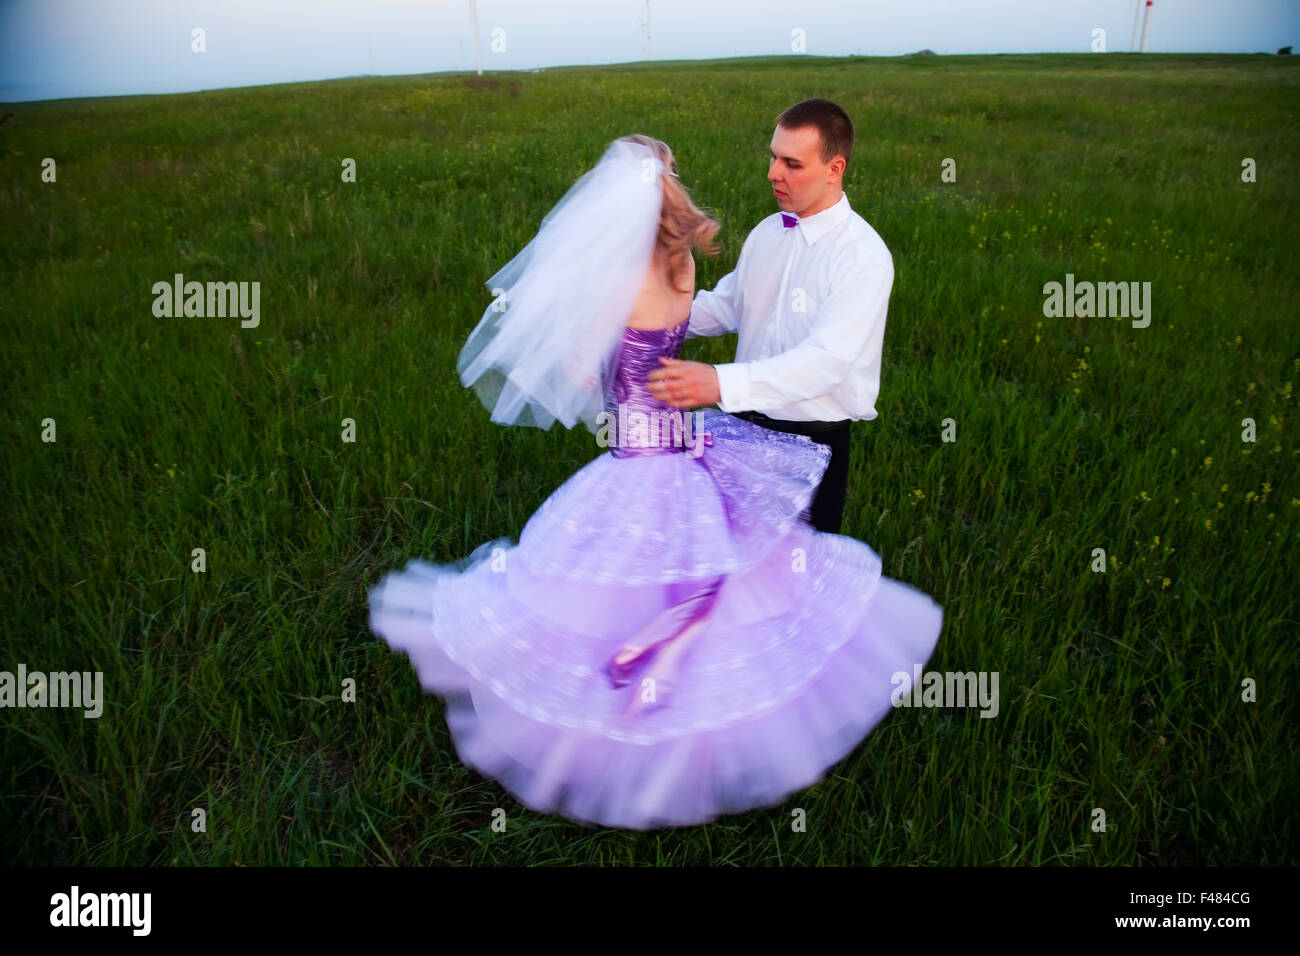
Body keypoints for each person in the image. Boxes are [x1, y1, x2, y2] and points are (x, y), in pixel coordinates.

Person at [367, 134, 943, 831]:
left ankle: (631, 724)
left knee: (616, 585)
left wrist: (577, 321)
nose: (774, 174)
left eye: (789, 162)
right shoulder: (684, 263)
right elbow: (700, 316)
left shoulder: (853, 257)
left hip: (653, 457)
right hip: (694, 447)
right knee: (748, 576)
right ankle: (744, 718)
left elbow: (584, 371)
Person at [647, 98, 889, 535]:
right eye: (773, 157)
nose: (773, 173)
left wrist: (719, 382)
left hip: (812, 444)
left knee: (796, 577)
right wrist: (643, 318)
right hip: (741, 431)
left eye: (792, 164)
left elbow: (827, 362)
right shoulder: (768, 231)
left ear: (835, 169)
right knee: (732, 563)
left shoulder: (863, 257)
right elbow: (725, 307)